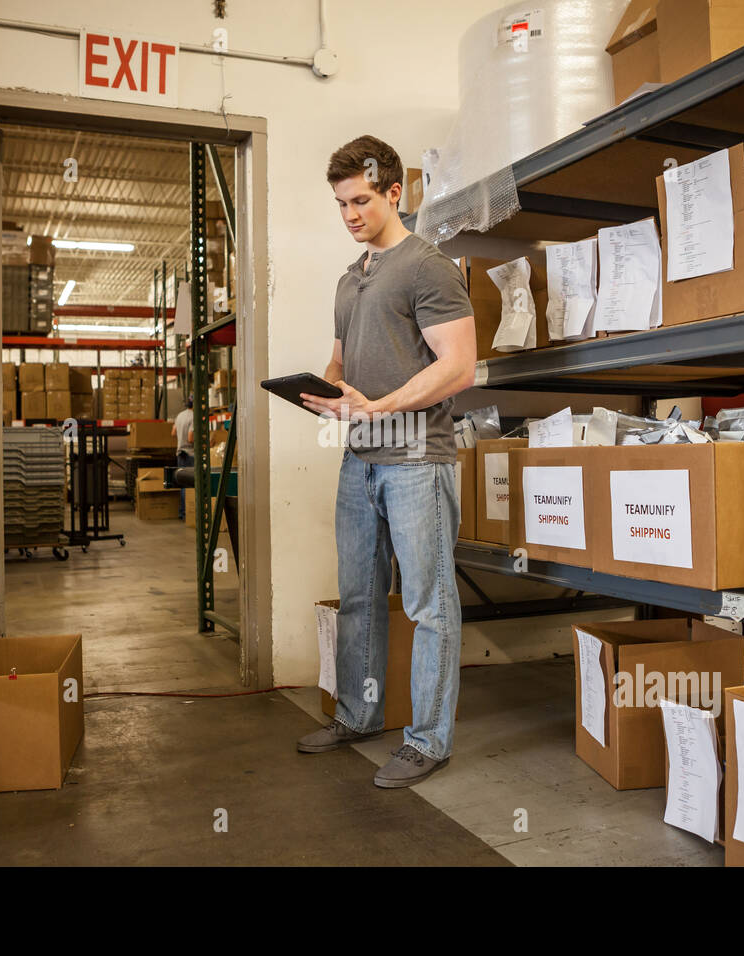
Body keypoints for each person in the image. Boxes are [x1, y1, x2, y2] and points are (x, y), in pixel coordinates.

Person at [296, 135, 476, 788]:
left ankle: (428, 740)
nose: (348, 214)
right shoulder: (351, 280)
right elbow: (340, 363)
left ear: (394, 193)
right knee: (360, 597)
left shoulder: (428, 267)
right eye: (340, 203)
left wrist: (379, 409)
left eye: (361, 200)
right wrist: (322, 392)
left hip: (416, 462)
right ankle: (357, 714)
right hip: (359, 462)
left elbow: (459, 365)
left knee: (428, 604)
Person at [174, 396, 194, 519]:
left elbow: (173, 432)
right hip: (190, 454)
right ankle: (189, 514)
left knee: (182, 483)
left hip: (180, 452)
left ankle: (182, 512)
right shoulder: (193, 416)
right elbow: (191, 438)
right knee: (191, 485)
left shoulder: (180, 415)